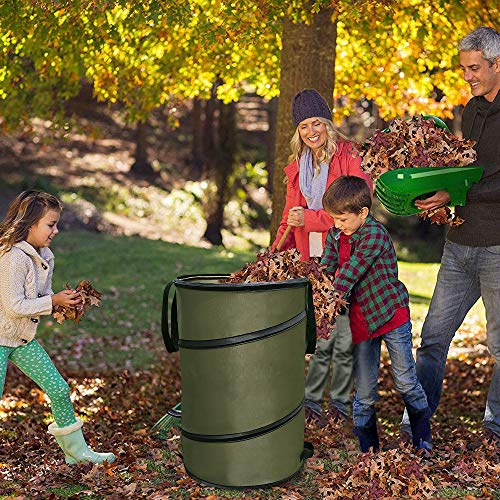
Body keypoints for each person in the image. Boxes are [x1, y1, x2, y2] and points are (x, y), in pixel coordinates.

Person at [400, 26, 500, 446]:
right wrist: (439, 190)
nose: (468, 77)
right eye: (464, 69)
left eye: (475, 68)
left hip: (497, 247)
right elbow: (467, 171)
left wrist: (456, 191)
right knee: (434, 338)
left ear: (498, 64)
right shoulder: (472, 109)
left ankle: (495, 427)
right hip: (460, 245)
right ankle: (415, 423)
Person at [271, 89, 372, 425]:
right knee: (318, 336)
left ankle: (342, 405)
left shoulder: (349, 158)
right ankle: (313, 404)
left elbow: (356, 211)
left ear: (328, 123)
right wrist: (272, 259)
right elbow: (289, 217)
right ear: (297, 132)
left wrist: (311, 219)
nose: (311, 131)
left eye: (316, 122)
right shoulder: (297, 168)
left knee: (344, 337)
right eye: (303, 126)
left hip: (347, 257)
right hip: (312, 259)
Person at [0, 190, 116, 465]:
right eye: (51, 225)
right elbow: (14, 305)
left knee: (59, 389)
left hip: (21, 340)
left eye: (56, 224)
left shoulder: (46, 256)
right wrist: (52, 301)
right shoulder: (12, 258)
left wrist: (66, 303)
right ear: (30, 225)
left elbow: (43, 296)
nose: (56, 230)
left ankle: (77, 454)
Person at [321, 175, 432, 453]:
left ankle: (422, 438)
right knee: (364, 391)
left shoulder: (374, 234)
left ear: (363, 213)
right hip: (362, 321)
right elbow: (327, 267)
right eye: (333, 218)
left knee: (405, 380)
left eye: (342, 219)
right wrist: (315, 289)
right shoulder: (336, 234)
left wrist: (330, 298)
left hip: (390, 315)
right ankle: (368, 451)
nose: (337, 225)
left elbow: (350, 271)